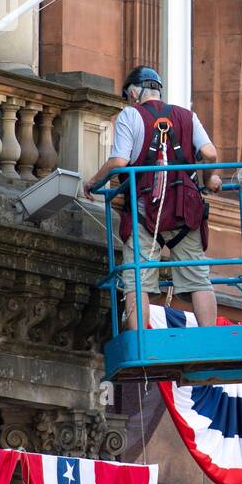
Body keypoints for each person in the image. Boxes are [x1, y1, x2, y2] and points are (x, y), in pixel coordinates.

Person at [84, 66, 222, 331]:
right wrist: (209, 180)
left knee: (138, 278)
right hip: (186, 210)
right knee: (198, 278)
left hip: (145, 210)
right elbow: (210, 153)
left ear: (134, 92)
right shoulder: (187, 116)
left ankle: (140, 341)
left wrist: (93, 182)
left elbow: (119, 161)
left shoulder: (130, 115)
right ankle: (209, 338)